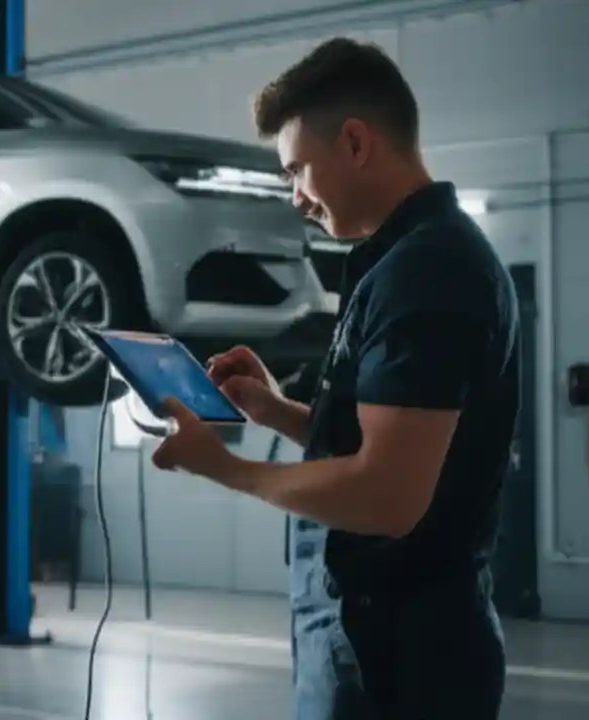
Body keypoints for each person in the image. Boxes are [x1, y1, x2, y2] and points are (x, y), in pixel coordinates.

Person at [150, 37, 519, 719]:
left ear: (354, 142)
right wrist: (276, 411)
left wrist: (224, 468)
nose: (294, 198)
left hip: (403, 661)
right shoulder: (407, 262)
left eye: (296, 170)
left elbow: (387, 496)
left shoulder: (429, 271)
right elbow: (390, 437)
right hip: (378, 638)